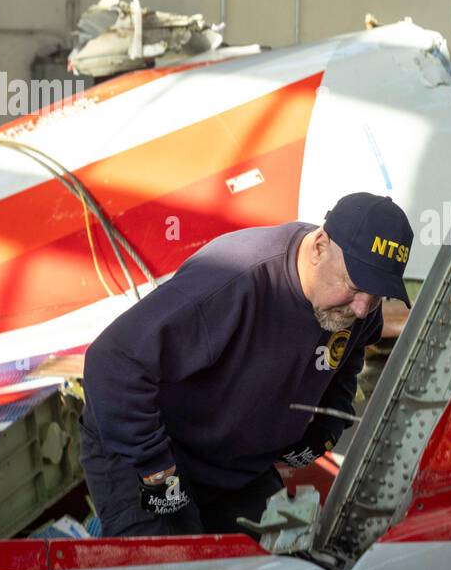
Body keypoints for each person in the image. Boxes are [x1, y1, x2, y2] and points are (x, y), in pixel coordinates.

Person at [78, 192, 413, 537]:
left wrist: (325, 426)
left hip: (234, 464)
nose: (361, 308)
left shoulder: (354, 308)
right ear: (319, 247)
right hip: (150, 448)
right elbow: (112, 360)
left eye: (376, 296)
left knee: (276, 569)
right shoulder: (232, 279)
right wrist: (157, 469)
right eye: (355, 286)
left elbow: (350, 351)